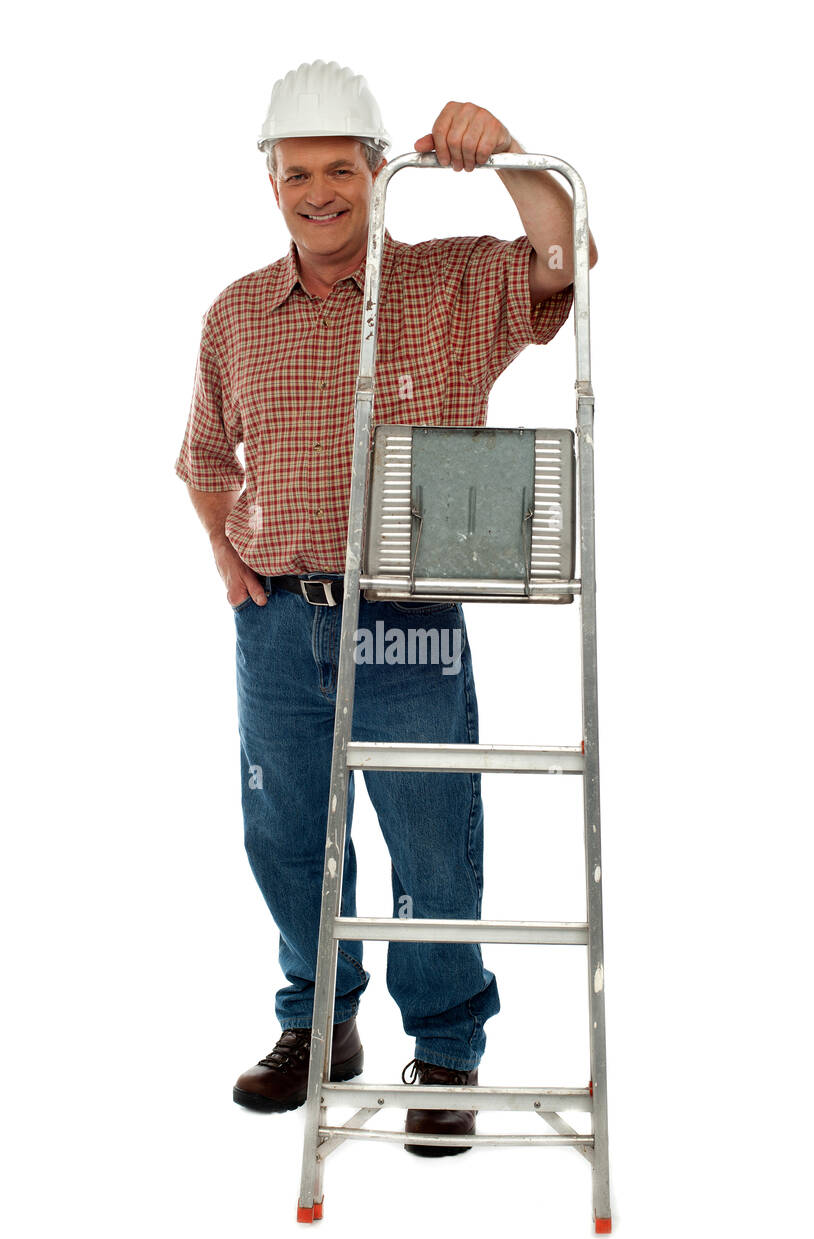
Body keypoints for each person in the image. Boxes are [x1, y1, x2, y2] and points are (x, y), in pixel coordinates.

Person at [175, 59, 597, 1155]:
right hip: (278, 619)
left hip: (406, 614)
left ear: (376, 172)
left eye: (339, 170)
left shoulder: (451, 286)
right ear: (271, 182)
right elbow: (202, 455)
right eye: (295, 172)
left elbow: (567, 262)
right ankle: (319, 1023)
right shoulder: (235, 313)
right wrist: (228, 562)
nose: (318, 191)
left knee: (429, 836)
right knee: (286, 836)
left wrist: (504, 151)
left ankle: (448, 1044)